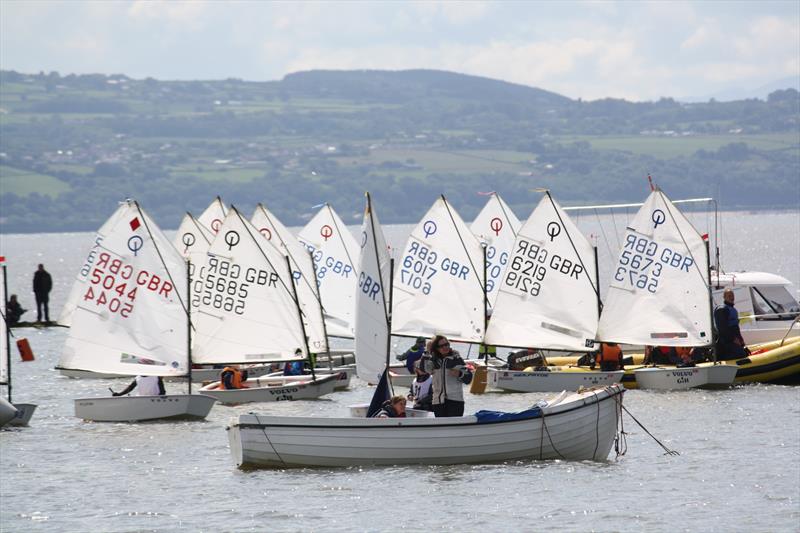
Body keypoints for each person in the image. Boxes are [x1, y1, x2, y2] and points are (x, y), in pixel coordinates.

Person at [418, 335, 473, 418]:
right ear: (436, 348)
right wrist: (427, 351)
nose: (445, 347)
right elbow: (423, 369)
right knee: (441, 425)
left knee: (453, 425)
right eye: (441, 346)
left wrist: (460, 374)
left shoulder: (456, 359)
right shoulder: (433, 360)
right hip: (438, 402)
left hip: (455, 401)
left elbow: (469, 379)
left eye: (446, 344)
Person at [714, 288, 747, 359]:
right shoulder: (721, 309)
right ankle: (719, 359)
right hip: (725, 341)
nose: (731, 297)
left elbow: (736, 328)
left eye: (732, 295)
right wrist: (733, 339)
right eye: (729, 296)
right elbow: (723, 329)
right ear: (724, 297)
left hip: (733, 339)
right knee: (741, 354)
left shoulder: (733, 309)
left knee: (745, 352)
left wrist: (741, 340)